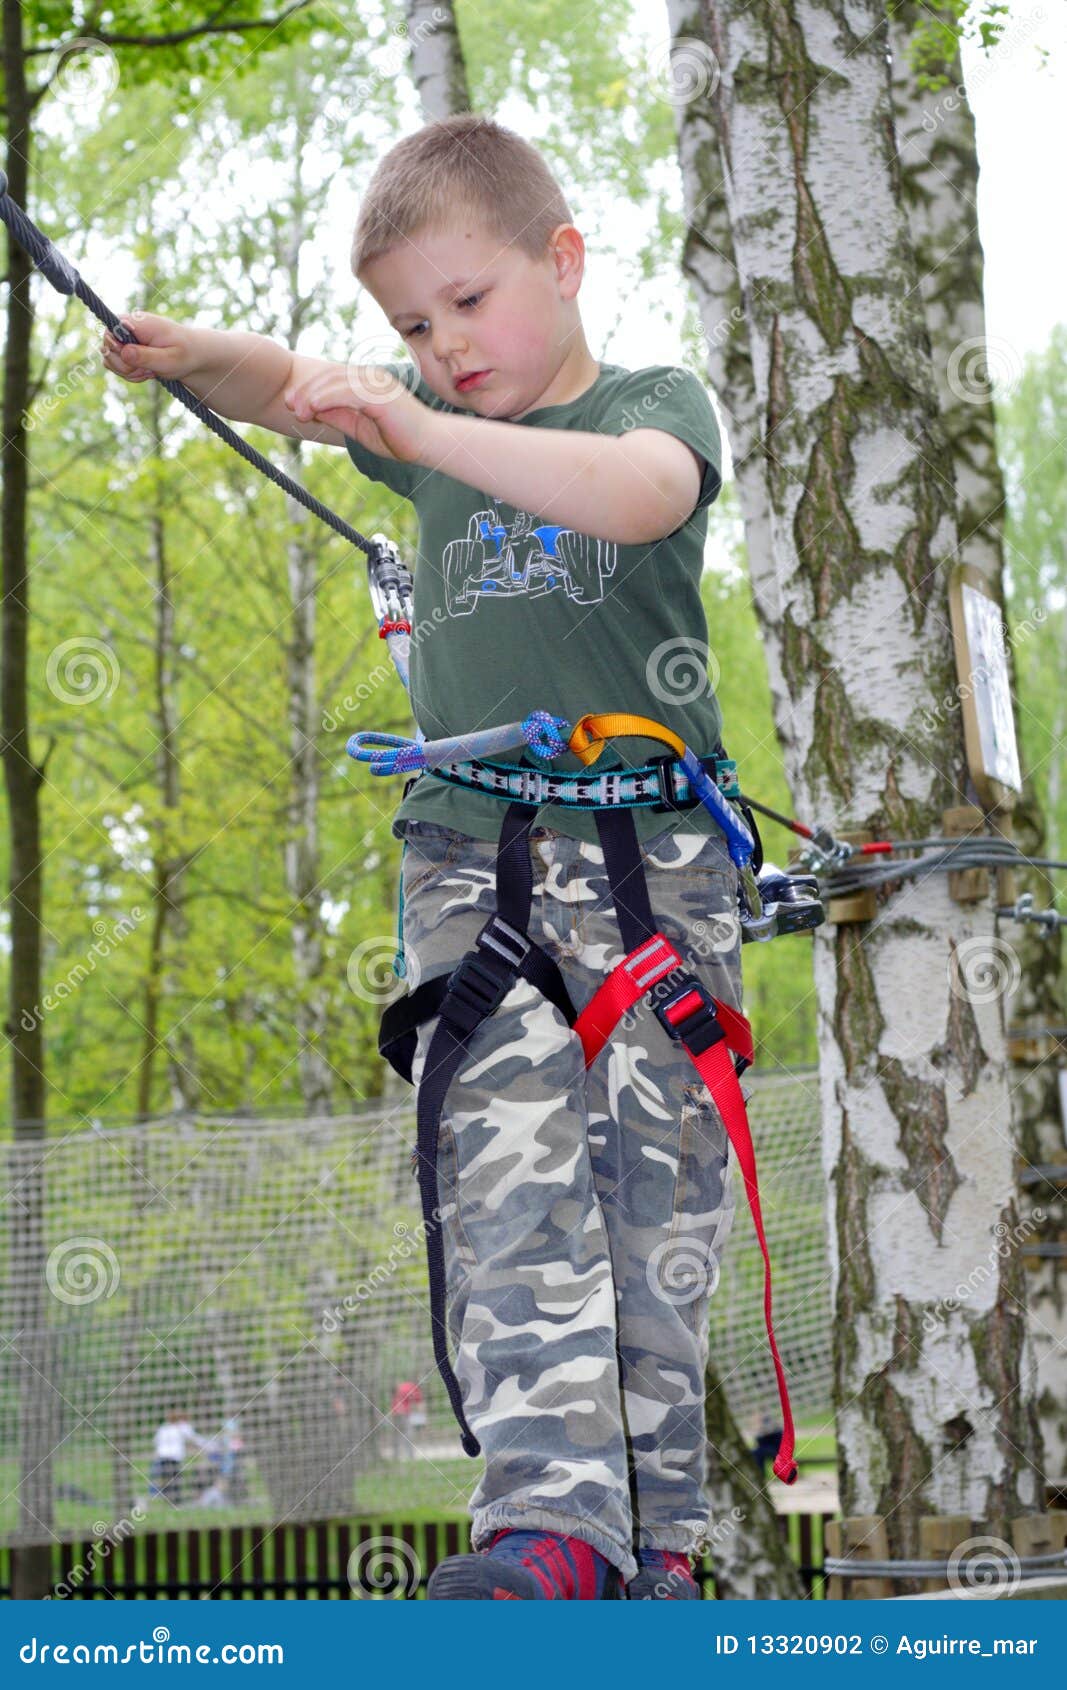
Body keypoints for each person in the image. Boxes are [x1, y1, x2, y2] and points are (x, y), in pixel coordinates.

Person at [102, 113, 742, 1601]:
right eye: (410, 327)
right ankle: (551, 1530)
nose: (443, 346)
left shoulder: (644, 406)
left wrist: (421, 429)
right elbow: (288, 387)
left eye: (468, 302)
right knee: (510, 1181)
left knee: (650, 1214)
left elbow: (643, 494)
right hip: (476, 860)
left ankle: (658, 1551)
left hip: (648, 870)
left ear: (562, 262)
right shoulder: (426, 425)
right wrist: (194, 352)